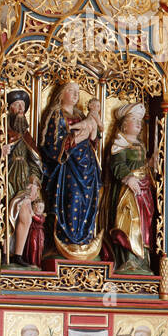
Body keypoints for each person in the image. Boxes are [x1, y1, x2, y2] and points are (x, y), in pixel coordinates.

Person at [39, 80, 102, 256]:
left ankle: (83, 239)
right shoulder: (57, 115)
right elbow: (52, 145)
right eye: (71, 90)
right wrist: (77, 139)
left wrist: (92, 135)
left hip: (87, 167)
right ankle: (67, 239)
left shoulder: (82, 115)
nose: (75, 95)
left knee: (86, 201)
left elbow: (94, 139)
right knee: (72, 198)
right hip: (68, 168)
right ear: (61, 94)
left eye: (77, 91)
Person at [107, 102, 156, 273]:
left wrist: (151, 163)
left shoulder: (140, 144)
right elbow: (117, 164)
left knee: (144, 225)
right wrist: (128, 178)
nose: (137, 123)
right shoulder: (120, 142)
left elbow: (141, 164)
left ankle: (143, 261)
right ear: (123, 124)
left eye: (139, 121)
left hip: (143, 189)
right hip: (128, 191)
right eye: (133, 119)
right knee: (129, 223)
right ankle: (128, 260)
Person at [3, 89, 41, 206]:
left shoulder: (26, 136)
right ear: (9, 108)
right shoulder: (2, 133)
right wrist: (1, 152)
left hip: (25, 179)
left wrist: (34, 181)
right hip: (8, 177)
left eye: (22, 105)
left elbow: (35, 161)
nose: (20, 109)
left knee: (26, 212)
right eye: (16, 104)